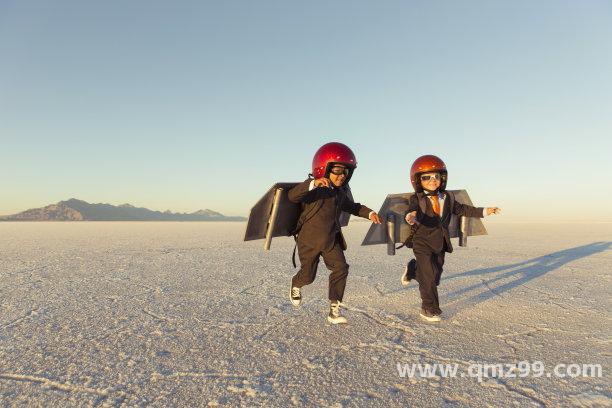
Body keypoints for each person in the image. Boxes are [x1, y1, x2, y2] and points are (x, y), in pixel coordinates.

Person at [288, 142, 381, 324]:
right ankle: (296, 283)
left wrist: (369, 213)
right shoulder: (313, 190)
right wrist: (313, 183)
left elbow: (353, 207)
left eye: (346, 171)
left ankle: (334, 309)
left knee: (341, 268)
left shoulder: (339, 193)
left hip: (331, 240)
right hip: (309, 242)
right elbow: (293, 196)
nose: (342, 175)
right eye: (338, 170)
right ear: (324, 168)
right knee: (308, 276)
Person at [400, 155, 501, 322]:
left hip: (440, 242)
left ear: (442, 178)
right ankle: (429, 309)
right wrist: (410, 216)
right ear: (418, 180)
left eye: (436, 176)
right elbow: (412, 209)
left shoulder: (448, 197)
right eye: (427, 177)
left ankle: (413, 269)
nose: (432, 180)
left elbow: (463, 210)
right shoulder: (416, 198)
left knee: (436, 275)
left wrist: (484, 211)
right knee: (430, 277)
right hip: (422, 241)